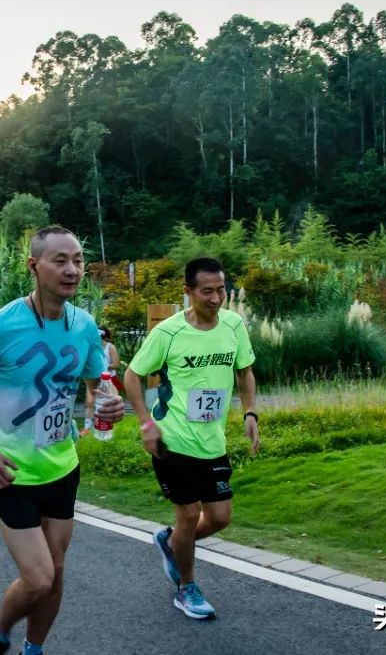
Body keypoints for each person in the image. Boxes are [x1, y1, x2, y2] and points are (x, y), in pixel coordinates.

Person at [0, 226, 124, 655]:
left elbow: (100, 382)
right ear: (33, 266)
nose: (72, 270)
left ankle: (34, 650)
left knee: (56, 574)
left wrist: (109, 403)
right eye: (59, 260)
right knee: (38, 577)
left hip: (62, 466)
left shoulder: (84, 325)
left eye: (77, 260)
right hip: (11, 472)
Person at [124, 257, 259, 620]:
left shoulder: (233, 325)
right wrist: (144, 423)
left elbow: (245, 372)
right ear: (188, 292)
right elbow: (132, 376)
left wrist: (250, 412)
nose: (216, 298)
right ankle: (187, 587)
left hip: (211, 441)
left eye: (221, 290)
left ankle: (172, 544)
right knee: (189, 514)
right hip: (173, 440)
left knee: (219, 517)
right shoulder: (167, 333)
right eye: (207, 291)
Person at [81, 325, 122, 436]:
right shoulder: (92, 347)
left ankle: (106, 428)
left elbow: (116, 364)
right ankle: (87, 428)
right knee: (89, 402)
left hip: (108, 381)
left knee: (106, 406)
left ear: (102, 336)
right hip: (93, 378)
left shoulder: (110, 347)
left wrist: (102, 366)